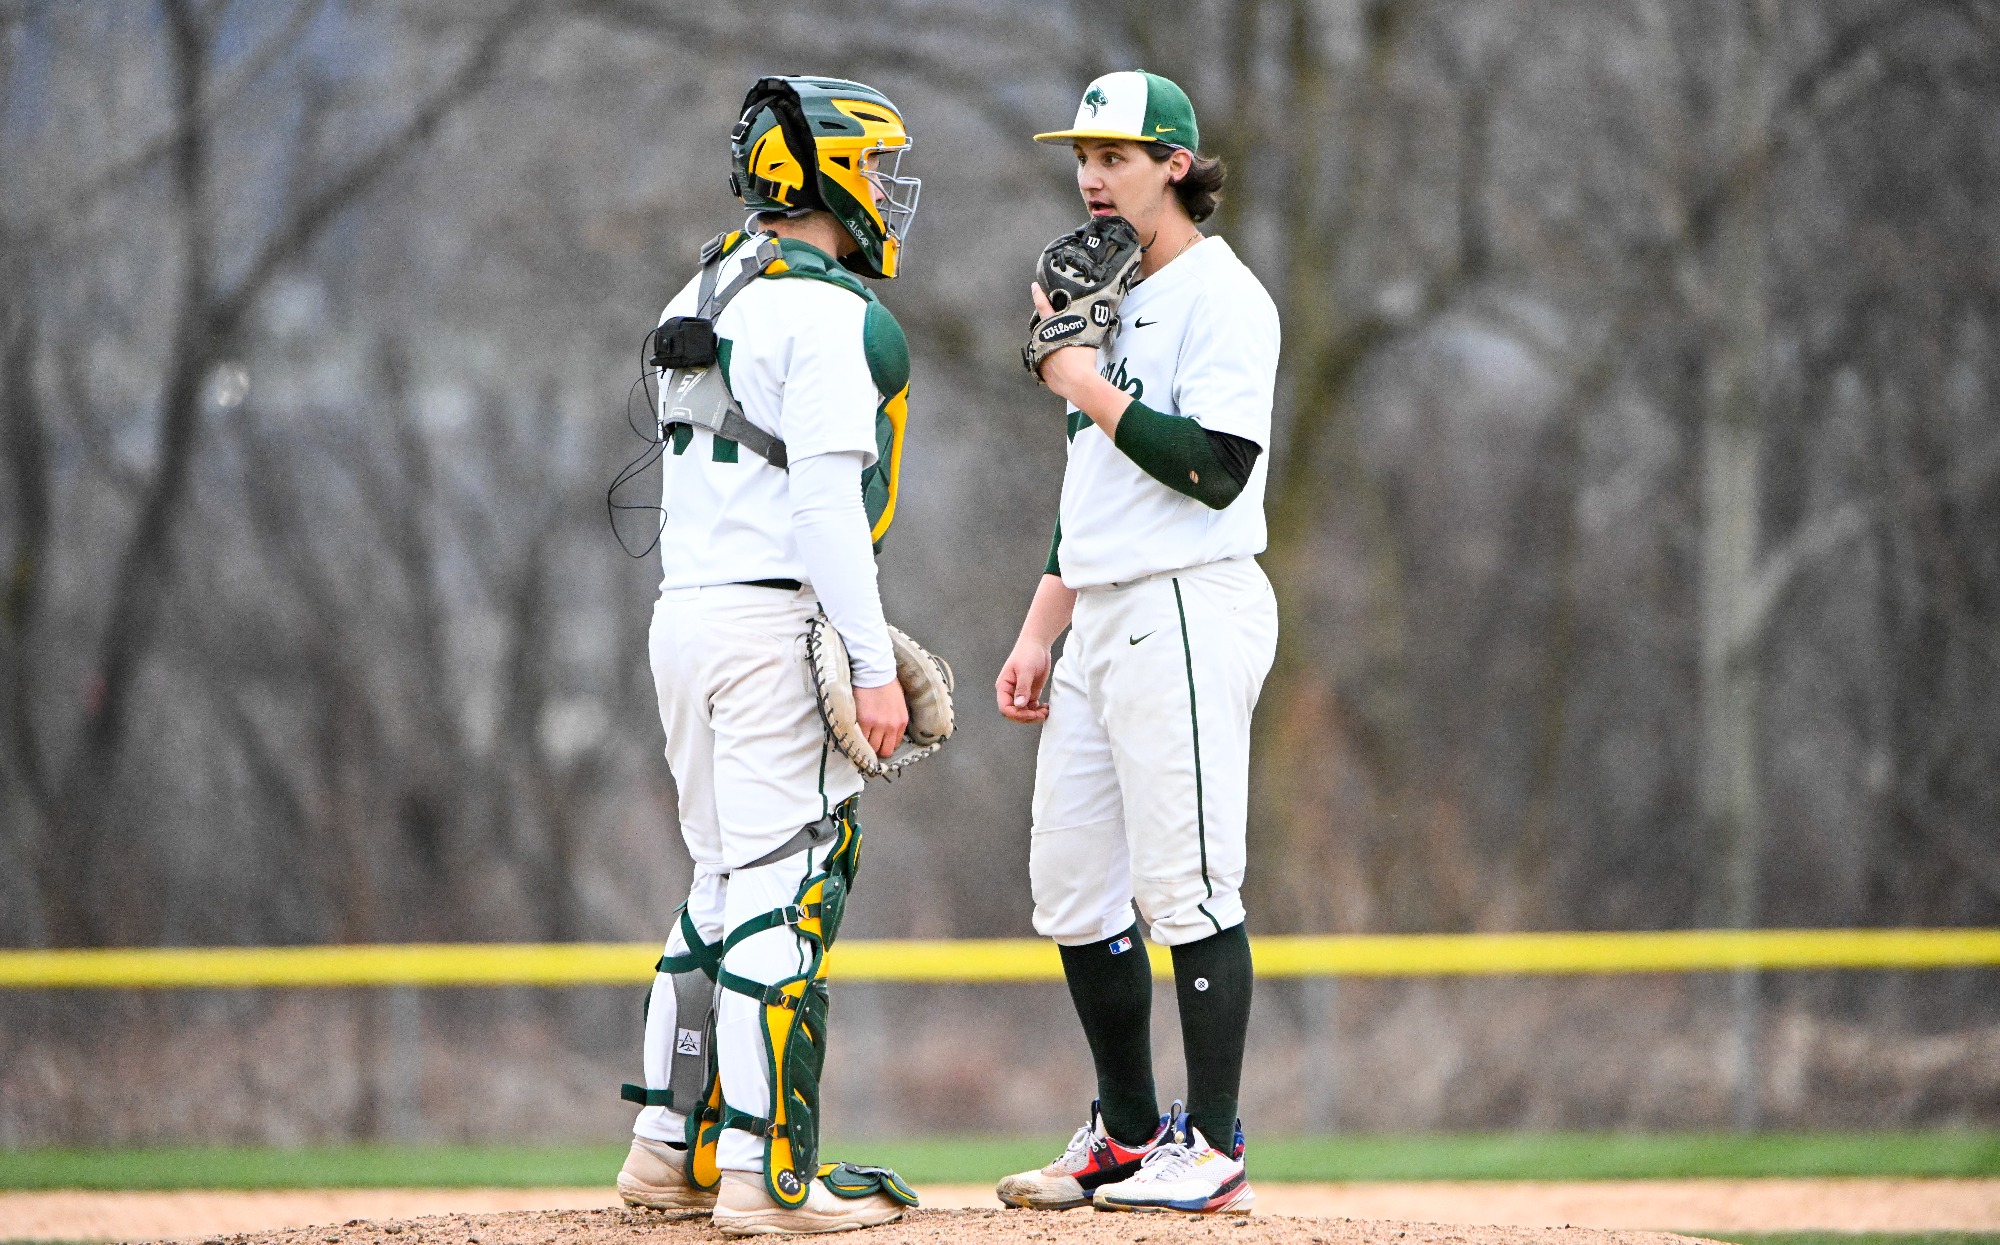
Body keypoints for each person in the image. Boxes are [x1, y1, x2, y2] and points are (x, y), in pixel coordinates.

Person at [614, 75, 924, 1237]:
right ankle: (761, 1180)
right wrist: (871, 663)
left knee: (714, 884)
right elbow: (826, 513)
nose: (889, 190)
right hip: (766, 623)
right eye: (877, 167)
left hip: (682, 619)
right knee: (789, 892)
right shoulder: (829, 313)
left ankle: (664, 1151)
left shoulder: (702, 285)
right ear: (828, 171)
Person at [993, 69, 1281, 1216]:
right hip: (1102, 608)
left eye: (1116, 155)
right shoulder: (1105, 304)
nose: (1090, 176)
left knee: (1187, 886)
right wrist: (1036, 631)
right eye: (1082, 155)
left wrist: (1076, 377)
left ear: (1176, 166)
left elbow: (1213, 472)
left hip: (1186, 601)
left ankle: (1208, 1148)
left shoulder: (1225, 298)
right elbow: (1092, 493)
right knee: (1069, 890)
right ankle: (1121, 1131)